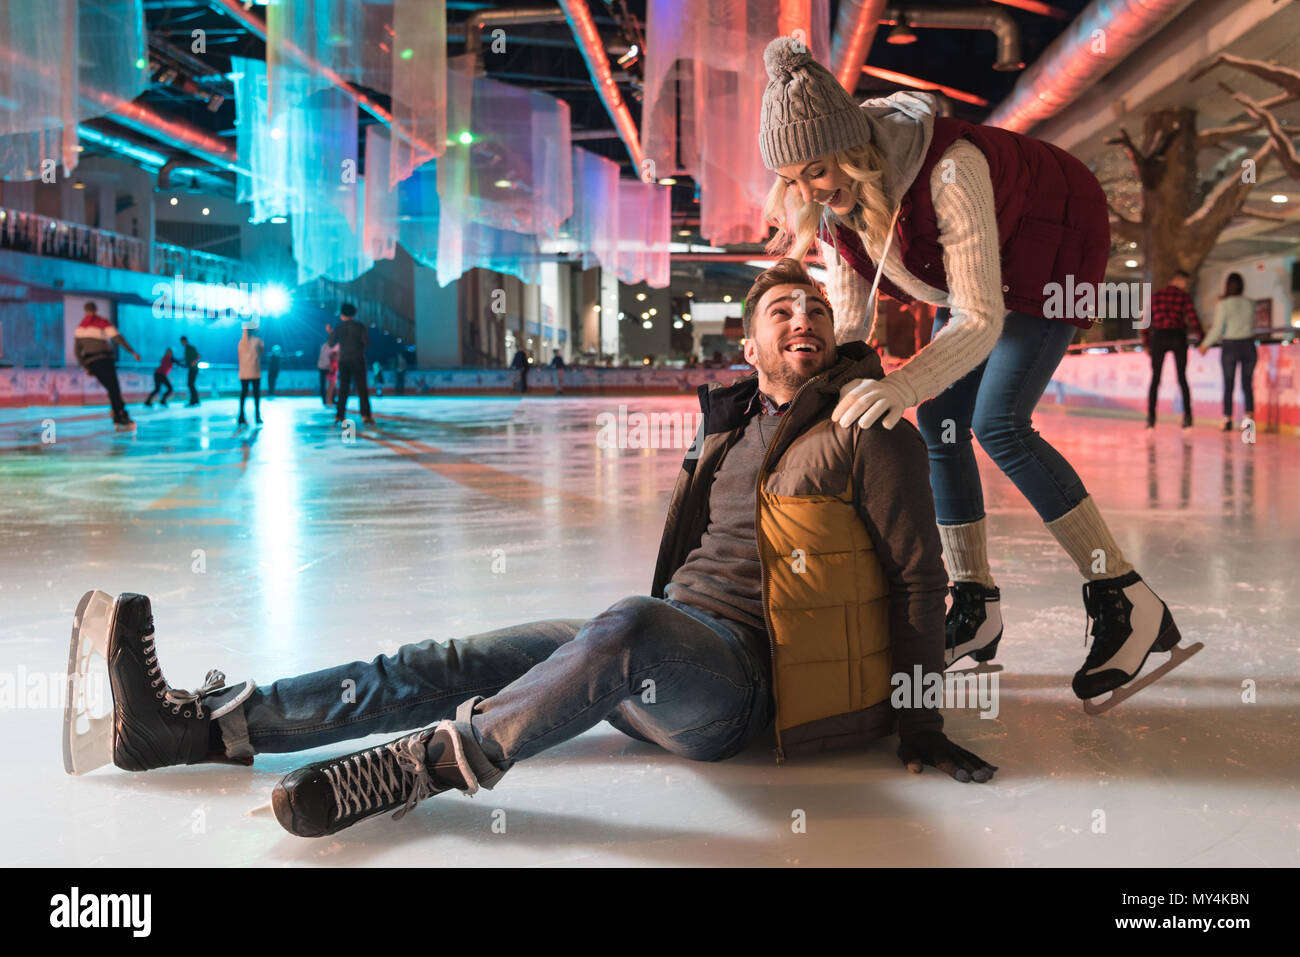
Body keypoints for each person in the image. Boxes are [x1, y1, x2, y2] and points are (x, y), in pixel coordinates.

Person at [65, 260, 996, 839]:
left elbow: (921, 581)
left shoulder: (869, 429)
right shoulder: (731, 423)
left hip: (743, 687)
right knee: (450, 656)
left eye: (817, 311)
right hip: (668, 646)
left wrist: (916, 718)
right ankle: (202, 727)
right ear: (749, 341)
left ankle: (424, 766)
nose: (806, 321)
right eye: (783, 310)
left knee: (624, 623)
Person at [757, 37, 1189, 708]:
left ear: (851, 145)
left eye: (817, 168)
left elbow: (982, 317)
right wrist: (827, 381)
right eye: (792, 178)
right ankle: (976, 604)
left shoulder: (949, 171)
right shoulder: (835, 211)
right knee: (941, 421)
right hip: (987, 268)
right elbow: (850, 317)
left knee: (999, 423)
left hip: (1053, 244)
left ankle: (1126, 597)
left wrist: (899, 383)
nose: (809, 189)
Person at [1197, 271, 1256, 433]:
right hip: (1248, 345)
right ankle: (1249, 421)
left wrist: (1204, 345)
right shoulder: (1251, 303)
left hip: (1231, 345)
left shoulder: (1223, 304)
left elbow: (1217, 329)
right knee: (1247, 385)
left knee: (1228, 384)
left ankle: (1227, 419)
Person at [1144, 270, 1203, 430]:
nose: (1186, 286)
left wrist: (1146, 342)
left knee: (1155, 379)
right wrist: (1201, 336)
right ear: (1179, 280)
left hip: (1159, 336)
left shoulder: (1156, 296)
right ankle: (1188, 417)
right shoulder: (1183, 296)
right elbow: (1192, 317)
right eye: (1185, 282)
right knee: (1182, 378)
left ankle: (1151, 418)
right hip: (1177, 335)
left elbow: (1146, 319)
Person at [73, 301, 139, 430]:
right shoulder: (103, 323)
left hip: (92, 362)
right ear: (95, 310)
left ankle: (117, 412)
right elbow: (118, 339)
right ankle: (120, 414)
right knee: (113, 388)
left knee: (112, 388)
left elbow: (77, 351)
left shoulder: (80, 329)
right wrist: (131, 351)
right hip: (104, 360)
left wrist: (85, 366)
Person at [329, 303, 374, 426]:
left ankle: (339, 415)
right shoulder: (360, 326)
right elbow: (367, 342)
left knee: (343, 389)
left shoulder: (339, 327)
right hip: (358, 360)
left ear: (342, 315)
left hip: (344, 361)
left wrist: (330, 332)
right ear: (354, 314)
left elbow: (331, 343)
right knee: (362, 389)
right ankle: (366, 415)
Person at [237, 323, 264, 427]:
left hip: (243, 373)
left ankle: (241, 416)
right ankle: (257, 416)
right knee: (256, 395)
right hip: (255, 373)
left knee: (243, 394)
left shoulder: (240, 343)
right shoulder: (257, 341)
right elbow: (262, 351)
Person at [316, 325, 337, 407]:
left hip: (324, 367)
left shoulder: (325, 346)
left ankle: (330, 399)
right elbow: (325, 357)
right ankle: (327, 399)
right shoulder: (327, 346)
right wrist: (330, 366)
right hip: (326, 367)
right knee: (328, 384)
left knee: (330, 384)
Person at [180, 335, 201, 406]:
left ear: (185, 341)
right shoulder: (186, 349)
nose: (182, 342)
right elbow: (186, 360)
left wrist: (193, 363)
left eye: (183, 341)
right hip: (191, 369)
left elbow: (198, 356)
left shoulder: (190, 348)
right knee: (191, 384)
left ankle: (194, 400)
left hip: (194, 369)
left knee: (190, 384)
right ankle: (196, 400)